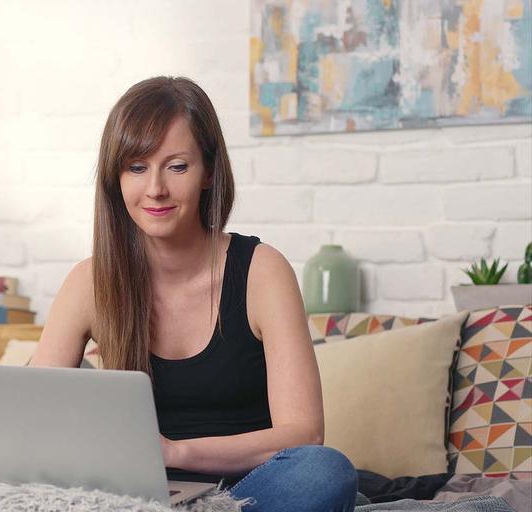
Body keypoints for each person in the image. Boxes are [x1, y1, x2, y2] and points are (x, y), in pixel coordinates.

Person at [29, 76, 358, 511]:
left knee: (323, 472)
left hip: (247, 494)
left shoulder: (262, 270)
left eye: (177, 166)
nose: (155, 189)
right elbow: (30, 414)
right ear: (116, 178)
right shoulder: (90, 282)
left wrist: (174, 452)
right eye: (136, 167)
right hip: (132, 497)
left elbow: (304, 434)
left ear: (208, 172)